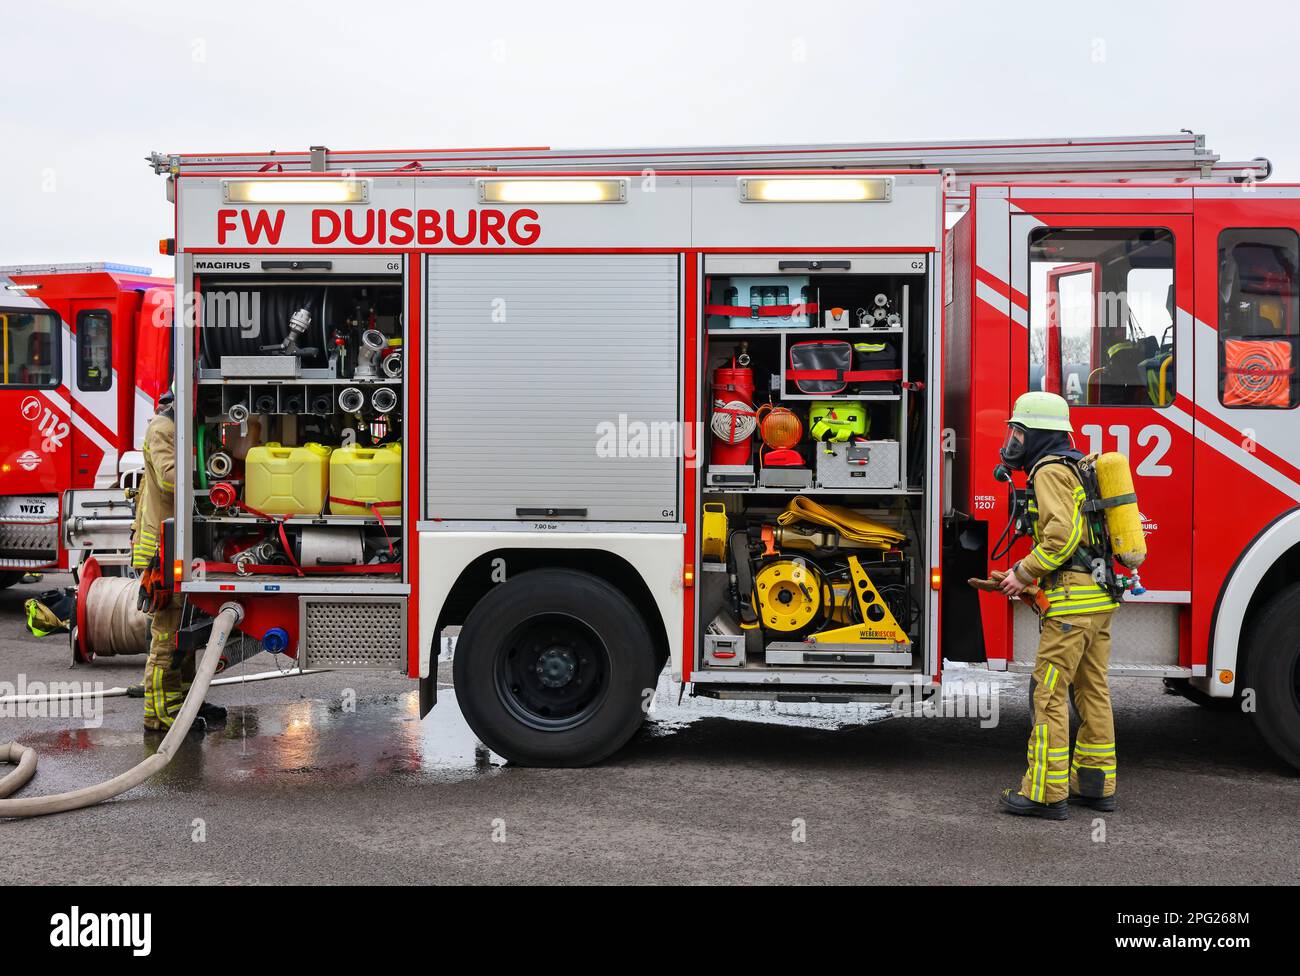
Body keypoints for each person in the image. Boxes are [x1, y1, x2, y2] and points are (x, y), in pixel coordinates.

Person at [995, 391, 1118, 820]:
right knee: (1092, 690)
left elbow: (1060, 537)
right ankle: (1096, 785)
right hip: (1098, 599)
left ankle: (1046, 794)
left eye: (1019, 431)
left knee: (1047, 694)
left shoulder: (1048, 471)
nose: (1013, 440)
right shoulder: (1075, 466)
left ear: (1040, 435)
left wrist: (1022, 574)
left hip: (1070, 605)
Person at [131, 388, 224, 733]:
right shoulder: (163, 428)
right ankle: (160, 716)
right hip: (161, 549)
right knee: (168, 634)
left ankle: (186, 702)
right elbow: (171, 480)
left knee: (186, 633)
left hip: (182, 542)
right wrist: (210, 473)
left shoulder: (185, 427)